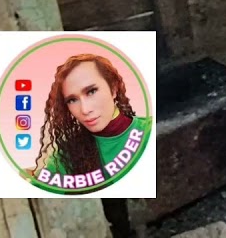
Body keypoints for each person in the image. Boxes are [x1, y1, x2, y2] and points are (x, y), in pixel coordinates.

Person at [28, 53, 152, 192]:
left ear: (113, 89)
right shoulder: (69, 154)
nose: (85, 110)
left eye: (91, 91)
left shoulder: (150, 132)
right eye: (72, 100)